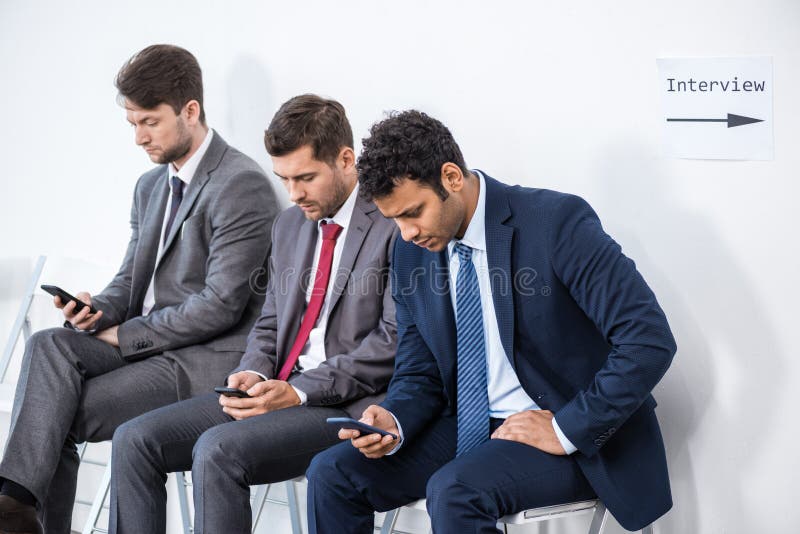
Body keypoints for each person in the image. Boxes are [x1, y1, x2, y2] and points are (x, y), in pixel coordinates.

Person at [305, 110, 677, 533]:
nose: (407, 232)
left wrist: (566, 427)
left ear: (450, 177)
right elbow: (419, 372)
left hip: (571, 435)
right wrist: (395, 420)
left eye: (414, 212)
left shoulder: (554, 222)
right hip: (468, 424)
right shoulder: (411, 252)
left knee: (455, 491)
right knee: (332, 474)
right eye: (395, 220)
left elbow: (648, 340)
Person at [0, 44, 278, 534]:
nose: (138, 137)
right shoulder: (150, 186)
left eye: (149, 121)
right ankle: (16, 503)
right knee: (49, 344)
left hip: (198, 360)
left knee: (50, 414)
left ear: (190, 111)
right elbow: (131, 279)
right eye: (132, 123)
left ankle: (16, 513)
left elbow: (220, 306)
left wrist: (122, 337)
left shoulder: (240, 184)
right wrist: (97, 310)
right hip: (145, 346)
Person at [108, 94, 398, 534]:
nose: (294, 193)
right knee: (133, 439)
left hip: (342, 404)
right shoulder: (290, 224)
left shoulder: (394, 222)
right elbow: (270, 322)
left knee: (218, 450)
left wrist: (297, 392)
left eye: (306, 178)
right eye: (284, 178)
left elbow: (389, 344)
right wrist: (255, 373)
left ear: (345, 159)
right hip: (273, 392)